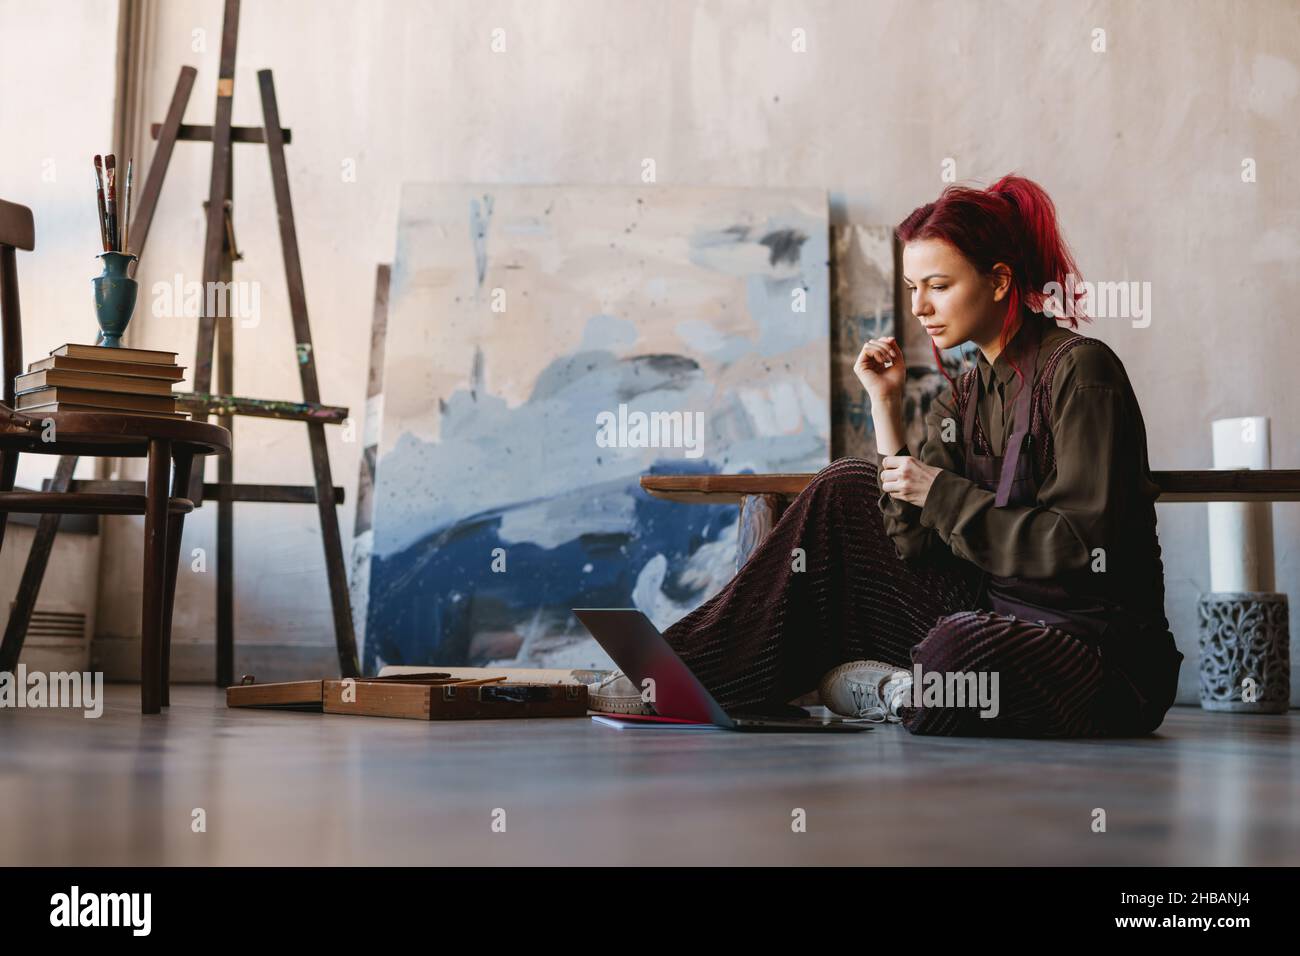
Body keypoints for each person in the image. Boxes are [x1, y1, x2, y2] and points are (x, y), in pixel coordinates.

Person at [590, 173, 1183, 737]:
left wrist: (940, 492)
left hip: (1093, 654)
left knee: (958, 653)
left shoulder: (1081, 371)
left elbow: (1083, 550)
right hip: (994, 613)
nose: (921, 306)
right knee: (847, 483)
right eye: (912, 289)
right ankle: (685, 673)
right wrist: (886, 407)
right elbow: (912, 542)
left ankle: (905, 690)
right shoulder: (967, 391)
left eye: (939, 286)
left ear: (1000, 281)